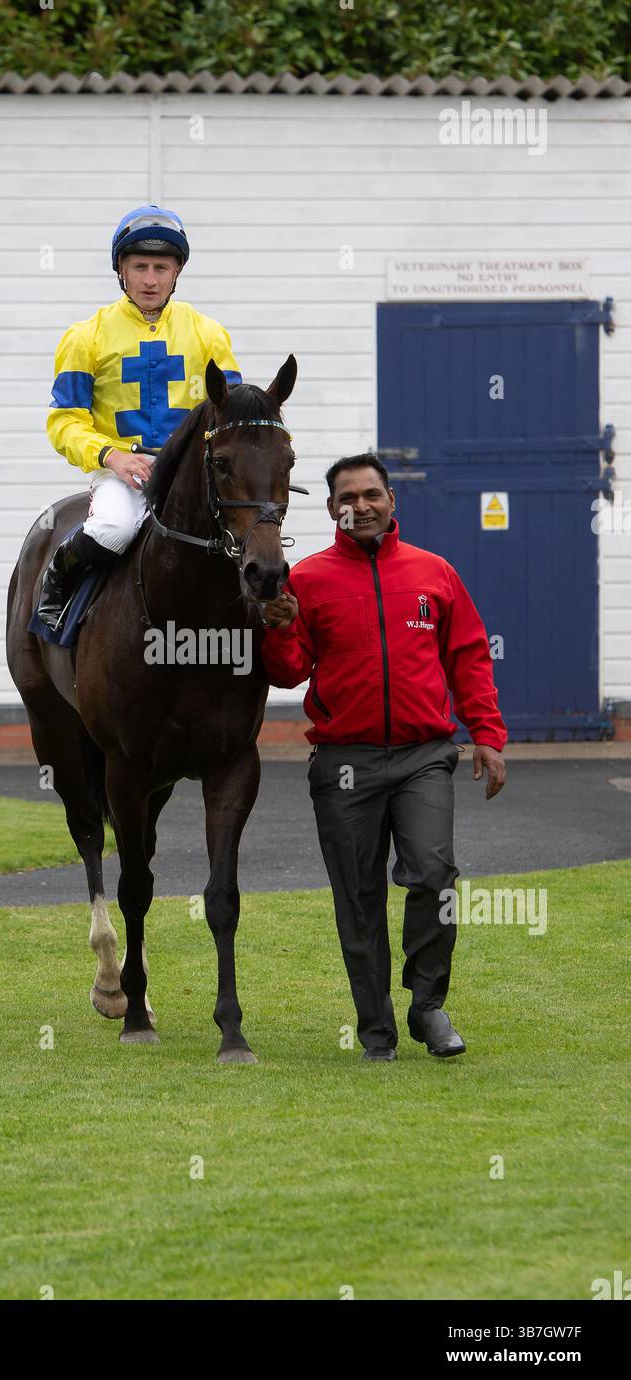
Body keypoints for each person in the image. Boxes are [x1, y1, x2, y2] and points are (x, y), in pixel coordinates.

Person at [261, 453, 508, 1062]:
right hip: (344, 763)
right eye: (349, 497)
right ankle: (377, 1032)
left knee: (434, 872)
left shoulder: (435, 573)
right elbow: (289, 673)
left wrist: (488, 734)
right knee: (358, 896)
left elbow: (470, 655)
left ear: (392, 501)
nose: (362, 506)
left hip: (425, 756)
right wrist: (278, 626)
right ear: (331, 510)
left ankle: (427, 1007)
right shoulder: (308, 580)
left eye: (373, 494)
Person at [36, 205, 242, 630]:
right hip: (125, 471)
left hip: (193, 471)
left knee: (248, 535)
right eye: (140, 266)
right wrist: (111, 457)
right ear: (121, 271)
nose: (151, 279)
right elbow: (65, 422)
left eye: (161, 267)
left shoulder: (209, 335)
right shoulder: (84, 337)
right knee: (112, 528)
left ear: (176, 272)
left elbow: (232, 415)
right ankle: (56, 585)